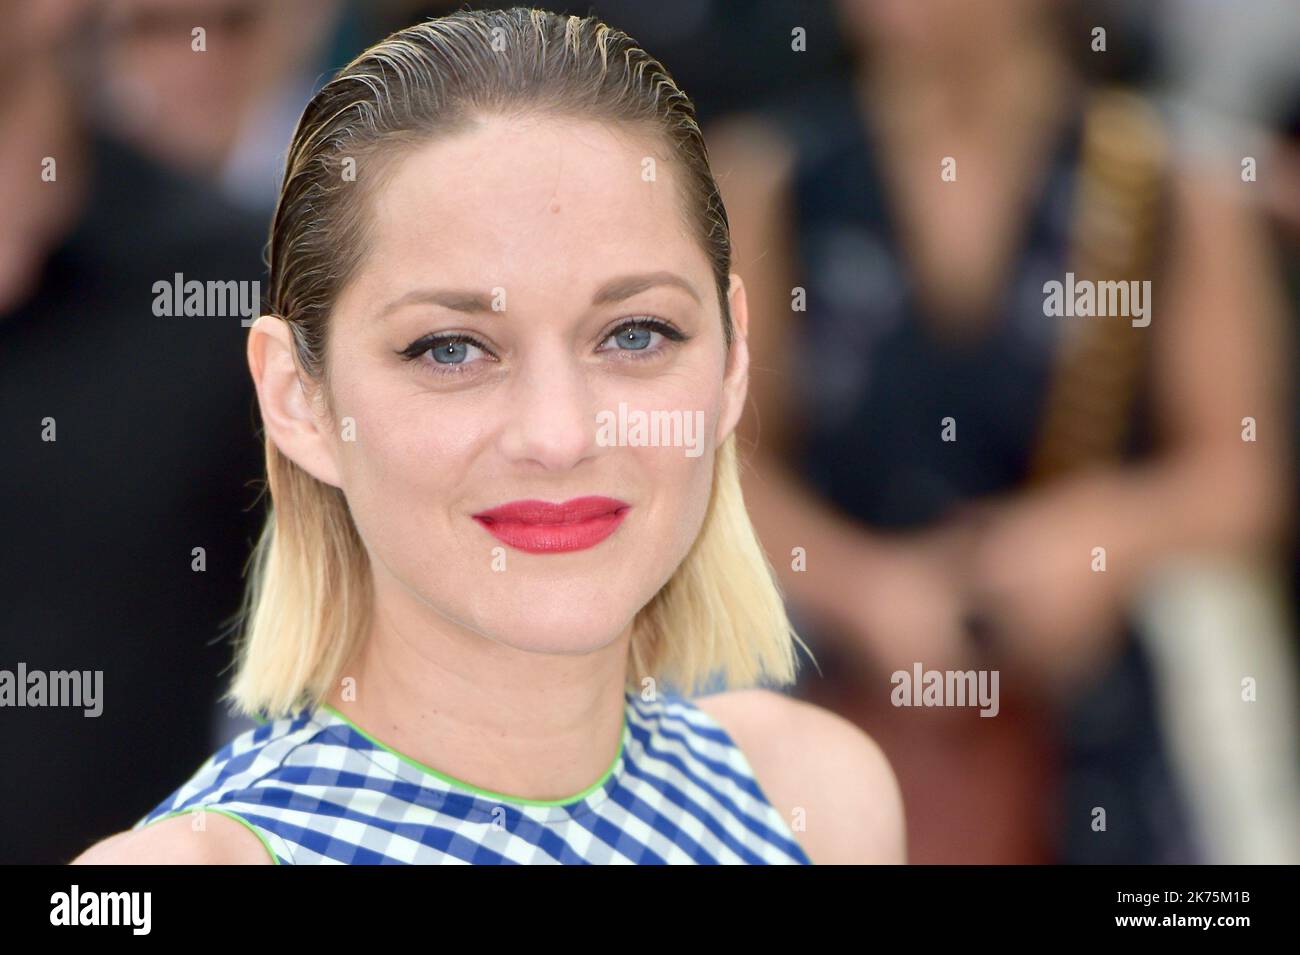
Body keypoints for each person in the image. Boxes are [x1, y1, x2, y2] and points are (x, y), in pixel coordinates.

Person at [71, 7, 905, 865]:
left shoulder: (812, 797)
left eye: (635, 333)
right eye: (451, 348)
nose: (559, 434)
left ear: (733, 357)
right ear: (297, 399)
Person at [706, 0, 1292, 863]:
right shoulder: (771, 182)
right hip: (837, 703)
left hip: (1091, 734)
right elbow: (718, 463)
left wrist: (1105, 535)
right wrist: (862, 584)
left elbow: (1242, 475)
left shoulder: (1165, 183)